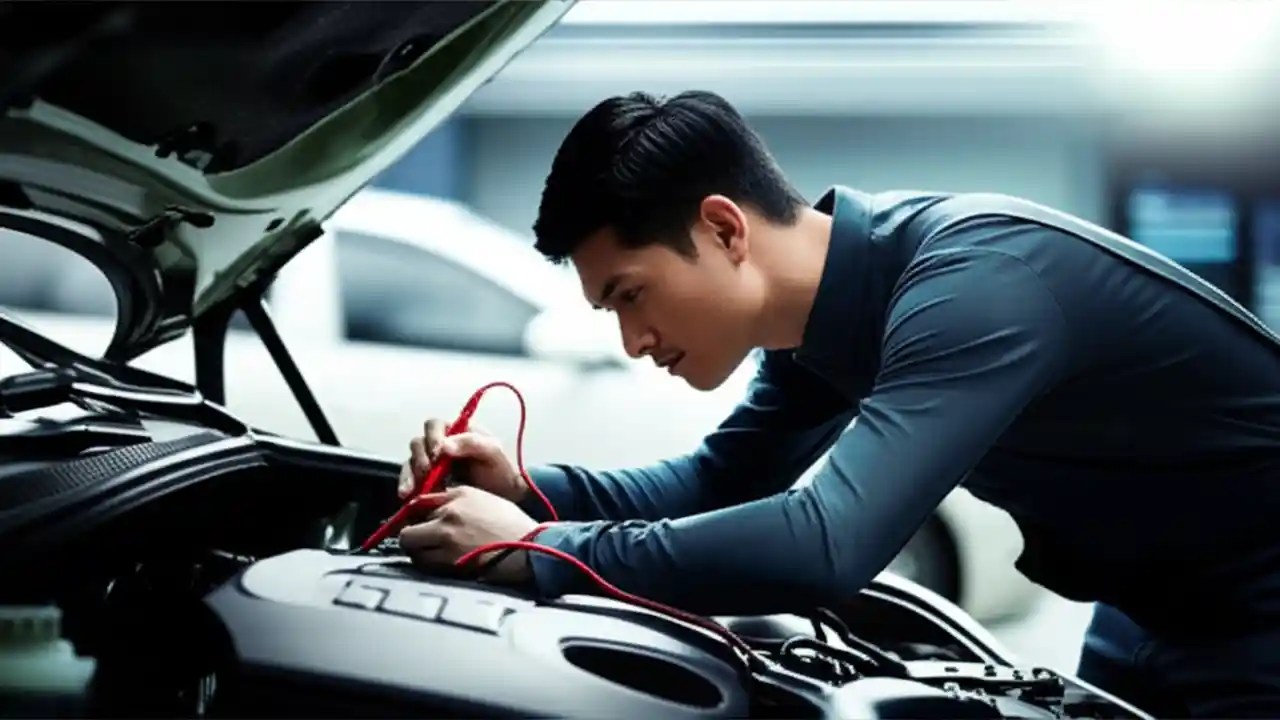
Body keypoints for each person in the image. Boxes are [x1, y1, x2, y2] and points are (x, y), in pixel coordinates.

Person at [393, 90, 1280, 717]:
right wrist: (528, 494)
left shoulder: (972, 285)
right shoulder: (823, 319)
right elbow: (719, 480)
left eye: (630, 295)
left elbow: (827, 543)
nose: (633, 341)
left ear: (724, 229)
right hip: (1149, 614)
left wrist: (538, 555)